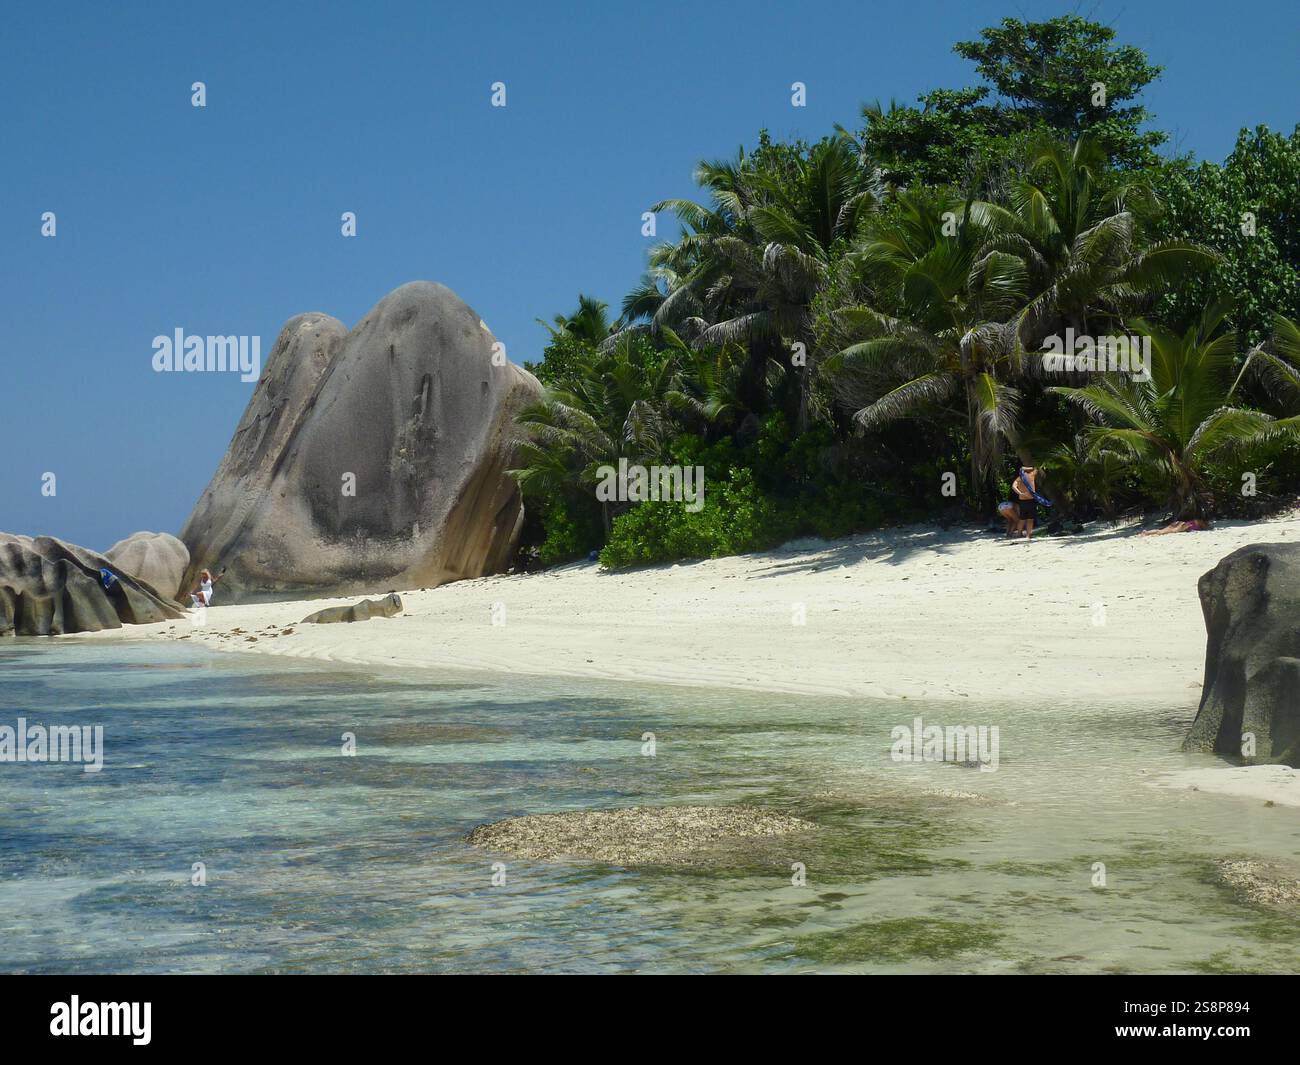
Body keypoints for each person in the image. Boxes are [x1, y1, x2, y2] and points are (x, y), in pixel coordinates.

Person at [1011, 464, 1050, 540]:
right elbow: (1036, 468)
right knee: (1030, 519)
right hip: (1031, 500)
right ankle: (1028, 535)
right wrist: (1030, 468)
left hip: (1022, 501)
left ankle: (1019, 534)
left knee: (1022, 519)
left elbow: (1013, 486)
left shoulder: (1019, 479)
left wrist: (1020, 493)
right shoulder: (1031, 475)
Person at [1139, 518, 1211, 536]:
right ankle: (1146, 533)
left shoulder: (1198, 523)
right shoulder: (1198, 523)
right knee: (1161, 532)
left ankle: (1146, 532)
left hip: (1179, 524)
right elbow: (1188, 526)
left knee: (1161, 531)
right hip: (1180, 526)